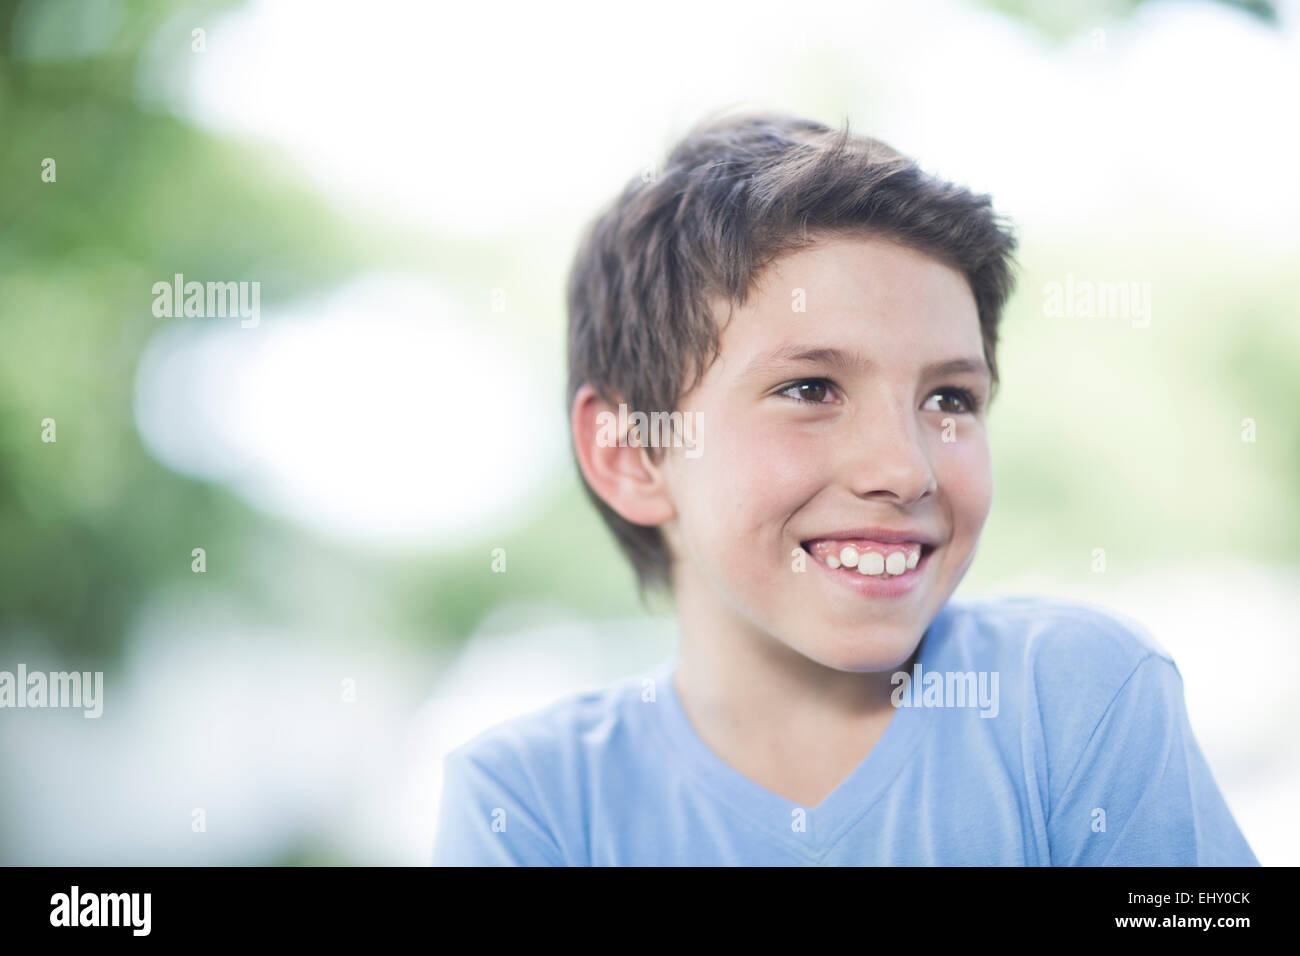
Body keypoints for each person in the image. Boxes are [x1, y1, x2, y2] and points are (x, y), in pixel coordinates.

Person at [432, 111, 1259, 865]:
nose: (905, 469)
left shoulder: (1075, 696)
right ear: (631, 454)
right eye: (810, 389)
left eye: (949, 400)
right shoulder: (531, 805)